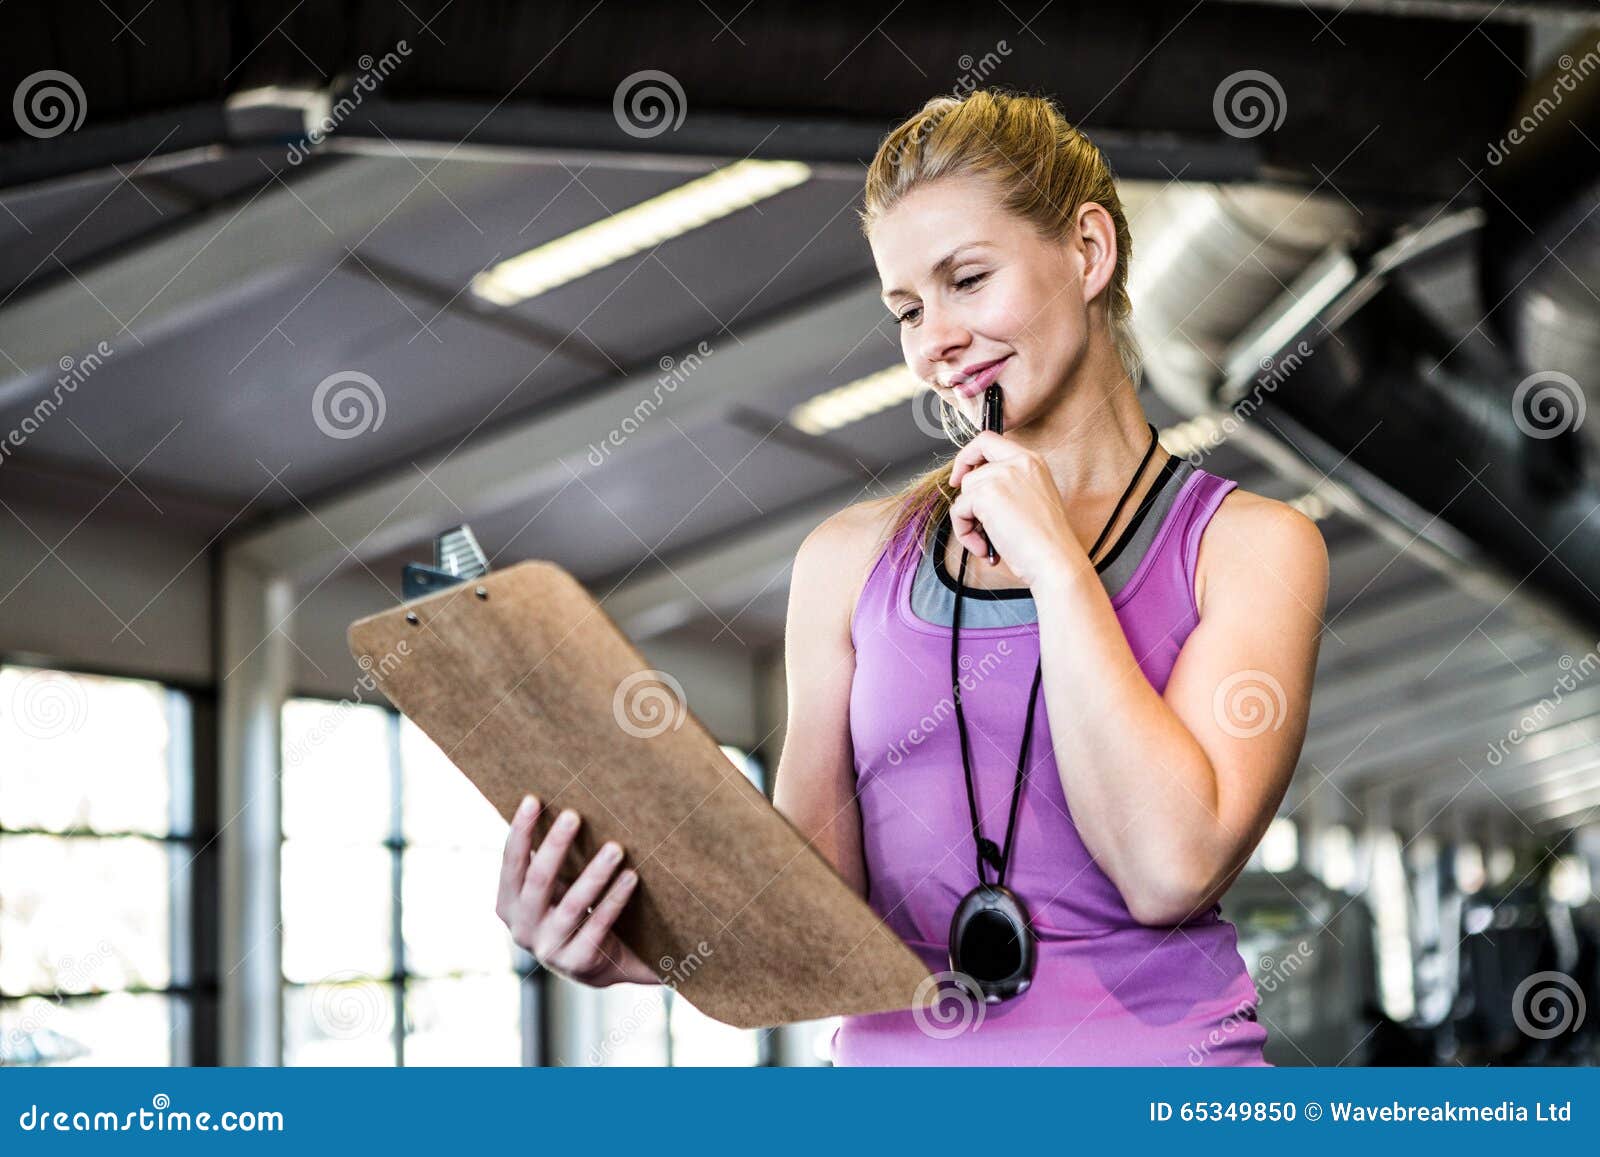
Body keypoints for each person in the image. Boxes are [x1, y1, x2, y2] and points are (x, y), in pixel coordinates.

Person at [494, 88, 1328, 1065]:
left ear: (1088, 252)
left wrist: (1057, 567)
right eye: (906, 308)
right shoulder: (849, 560)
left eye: (967, 279)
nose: (934, 341)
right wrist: (652, 945)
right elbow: (814, 917)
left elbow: (1168, 867)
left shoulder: (1251, 545)